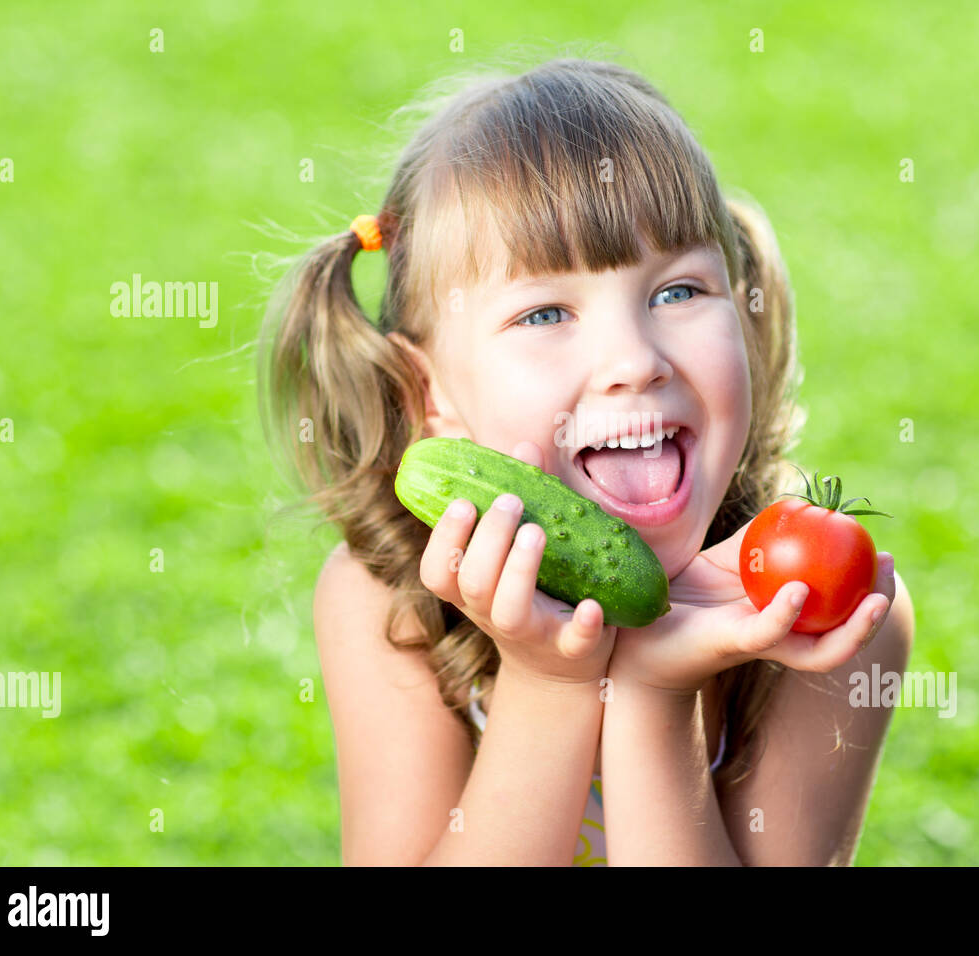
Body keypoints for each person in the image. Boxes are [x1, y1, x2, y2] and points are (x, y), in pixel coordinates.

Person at [260, 54, 914, 866]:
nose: (634, 359)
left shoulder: (821, 596)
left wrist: (654, 694)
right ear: (430, 391)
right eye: (543, 313)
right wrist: (551, 686)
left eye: (678, 292)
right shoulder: (385, 599)